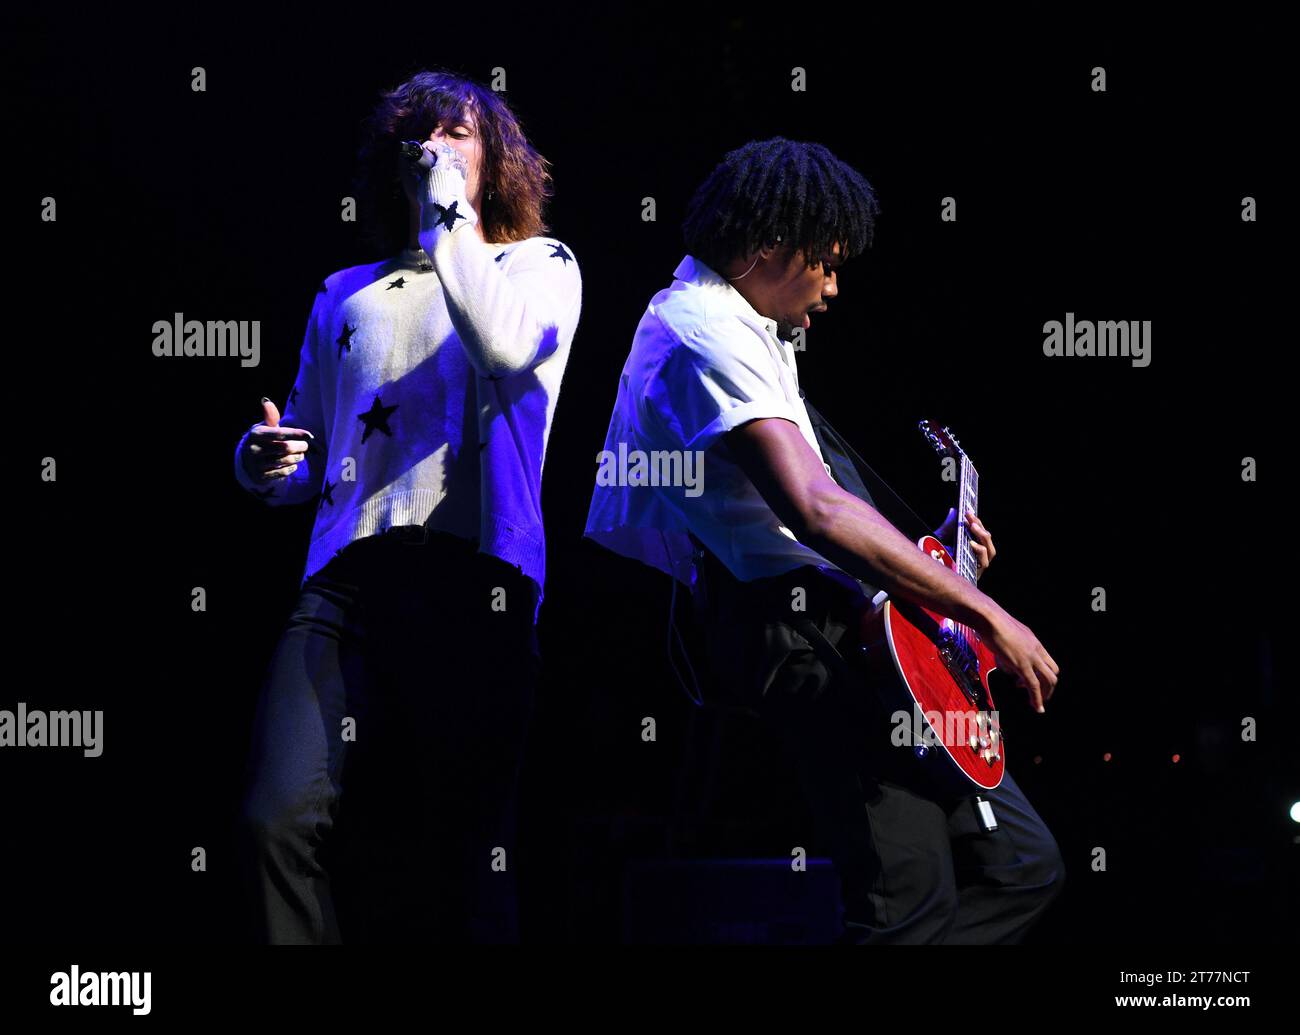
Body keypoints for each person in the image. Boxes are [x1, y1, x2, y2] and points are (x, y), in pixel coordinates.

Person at [585, 137, 1063, 944]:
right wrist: (985, 614)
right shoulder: (701, 329)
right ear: (771, 245)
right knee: (907, 903)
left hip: (858, 623)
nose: (834, 287)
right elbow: (814, 509)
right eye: (826, 263)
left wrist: (938, 555)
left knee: (1024, 863)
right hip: (814, 637)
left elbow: (830, 503)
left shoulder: (748, 330)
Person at [232, 69, 582, 943]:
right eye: (417, 136)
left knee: (454, 847)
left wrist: (448, 212)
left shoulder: (536, 266)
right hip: (346, 582)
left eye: (455, 134)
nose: (431, 148)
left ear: (494, 158)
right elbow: (309, 457)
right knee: (276, 815)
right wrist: (261, 463)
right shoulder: (342, 289)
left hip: (472, 577)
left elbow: (500, 342)